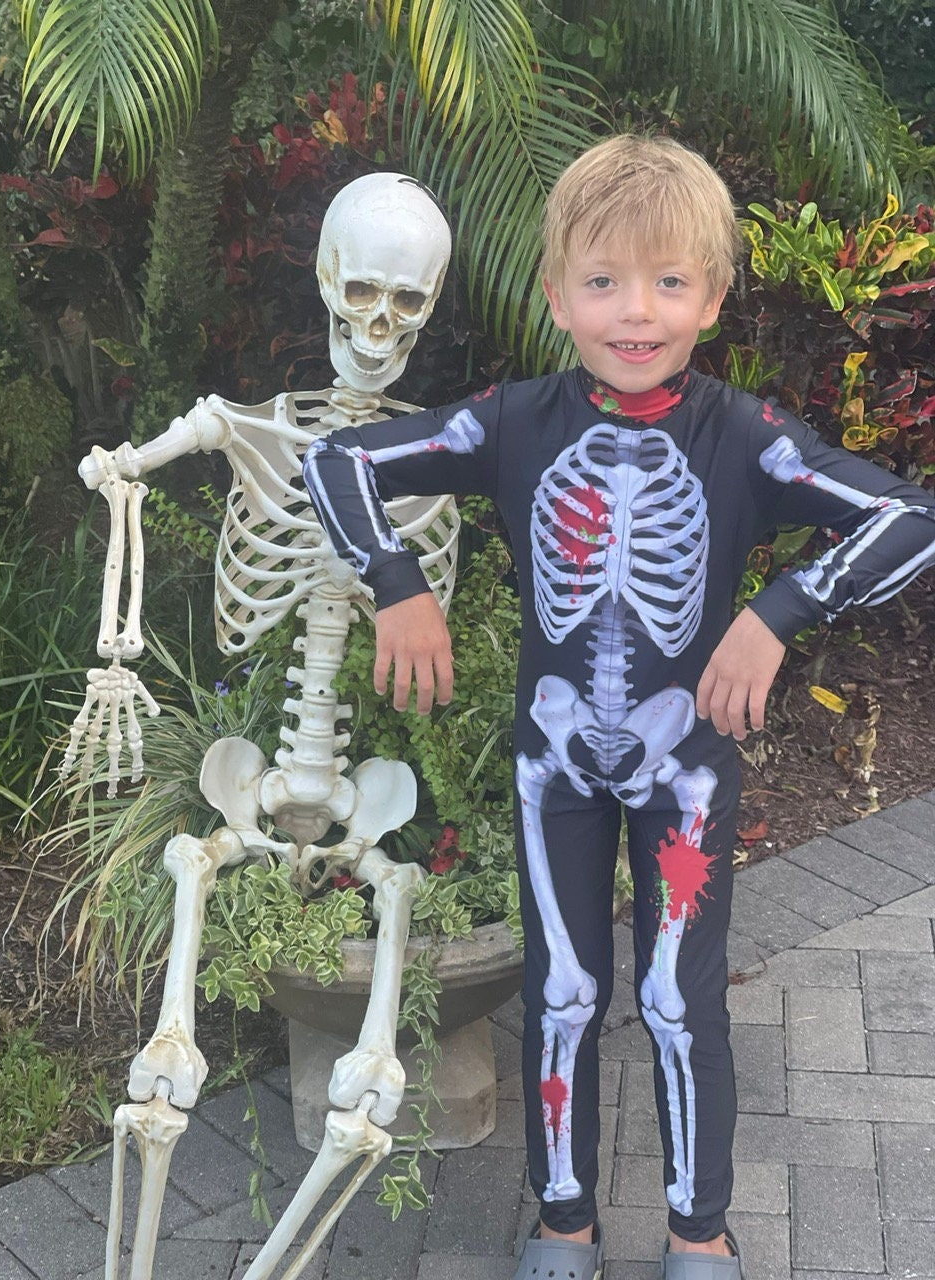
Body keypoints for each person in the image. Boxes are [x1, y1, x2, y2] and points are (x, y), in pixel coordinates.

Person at [301, 135, 935, 1279]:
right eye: (603, 281)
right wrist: (397, 582)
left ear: (712, 297)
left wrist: (778, 611)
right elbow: (337, 460)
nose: (636, 311)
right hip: (557, 760)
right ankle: (565, 1221)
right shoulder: (514, 420)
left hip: (682, 762)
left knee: (680, 995)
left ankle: (699, 1229)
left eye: (669, 281)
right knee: (564, 988)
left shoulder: (744, 436)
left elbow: (909, 518)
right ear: (557, 295)